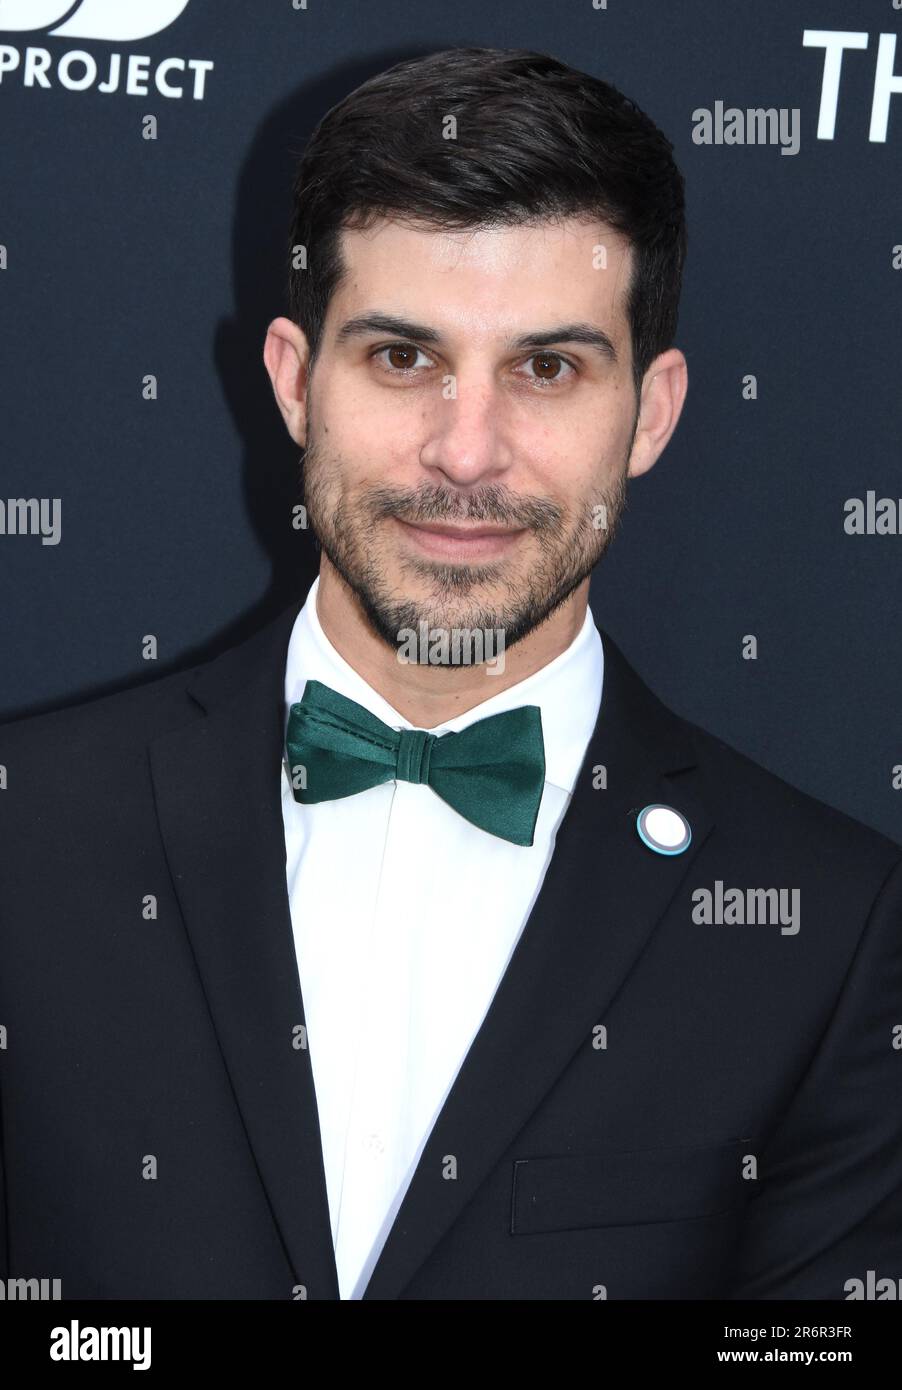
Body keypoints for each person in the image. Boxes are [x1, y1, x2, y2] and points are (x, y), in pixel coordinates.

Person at [1, 46, 900, 1301]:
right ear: (293, 382)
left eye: (546, 368)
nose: (465, 452)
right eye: (402, 358)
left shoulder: (830, 928)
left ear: (648, 413)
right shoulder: (22, 834)